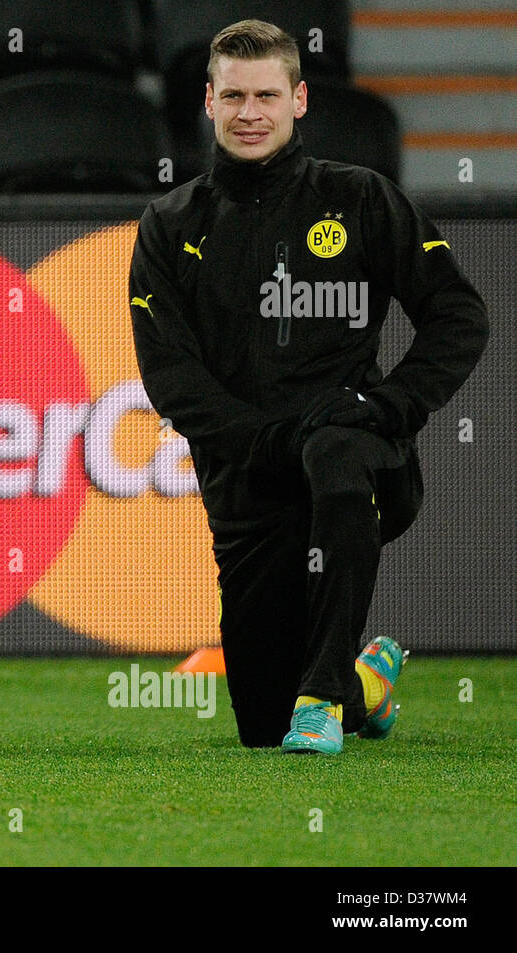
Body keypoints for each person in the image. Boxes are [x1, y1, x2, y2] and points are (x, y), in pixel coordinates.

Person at [129, 20, 488, 753]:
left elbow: (458, 315)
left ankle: (323, 697)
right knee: (262, 724)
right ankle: (362, 686)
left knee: (334, 452)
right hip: (247, 485)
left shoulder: (360, 198)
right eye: (234, 95)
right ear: (208, 102)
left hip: (357, 452)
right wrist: (268, 440)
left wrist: (391, 405)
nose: (249, 112)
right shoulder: (170, 223)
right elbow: (172, 377)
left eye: (267, 94)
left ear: (299, 101)